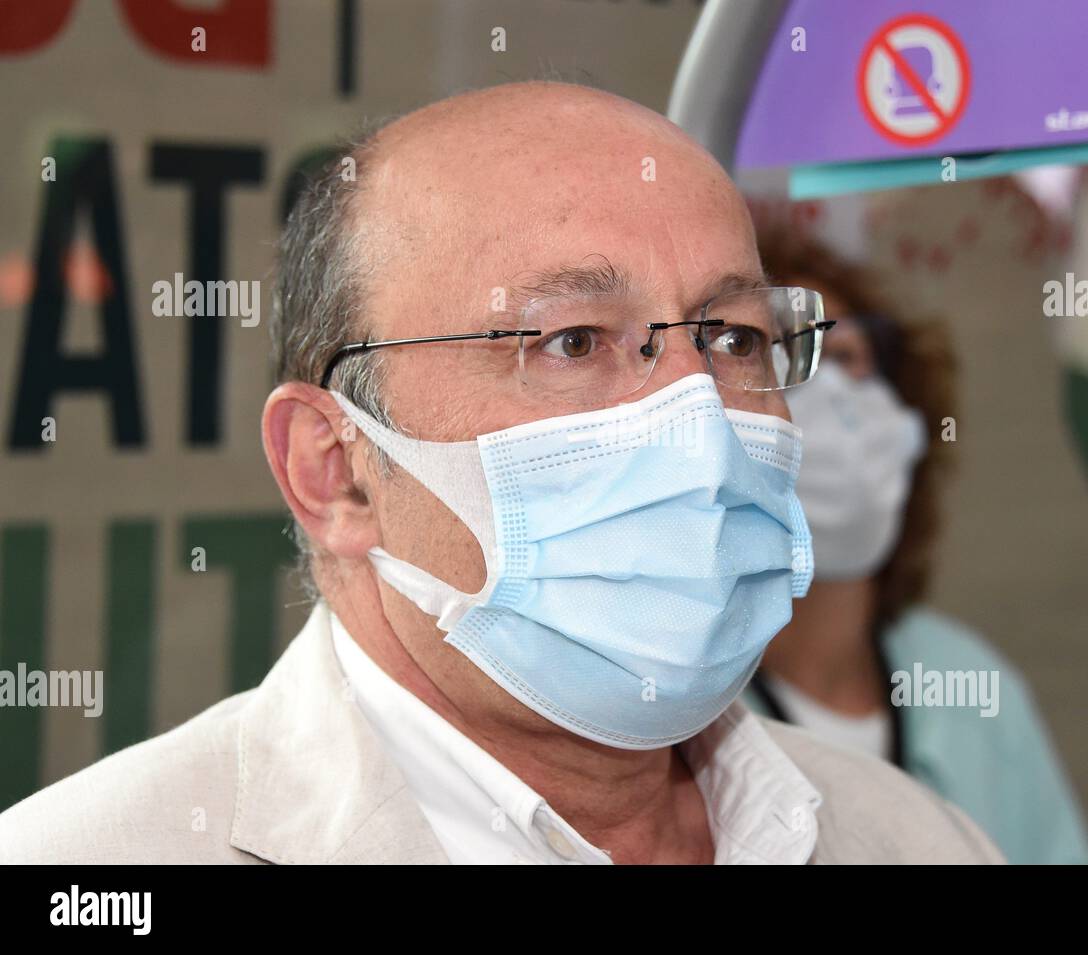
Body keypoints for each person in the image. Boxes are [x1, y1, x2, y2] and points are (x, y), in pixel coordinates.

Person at [0, 82, 1002, 865]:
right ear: (334, 474)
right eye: (569, 340)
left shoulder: (921, 840)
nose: (697, 420)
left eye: (732, 335)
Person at [742, 226, 1088, 865]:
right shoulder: (681, 699)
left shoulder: (966, 681)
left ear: (904, 416)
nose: (821, 399)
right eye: (775, 358)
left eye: (845, 357)